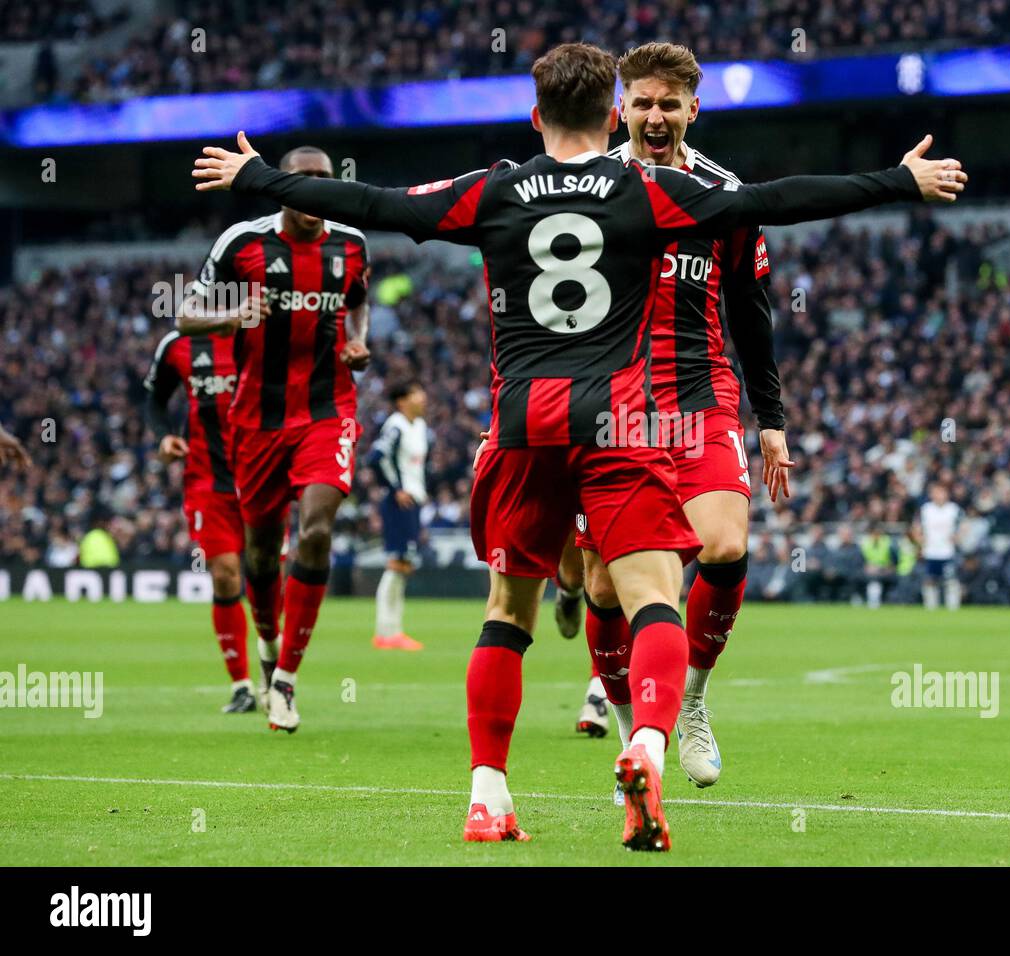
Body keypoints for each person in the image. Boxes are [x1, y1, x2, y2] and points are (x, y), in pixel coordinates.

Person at [191, 41, 965, 850]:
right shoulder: (651, 189)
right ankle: (647, 740)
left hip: (523, 426)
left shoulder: (491, 188)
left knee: (507, 614)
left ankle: (488, 795)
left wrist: (259, 180)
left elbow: (378, 202)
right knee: (654, 596)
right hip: (618, 423)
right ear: (611, 116)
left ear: (534, 117)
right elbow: (777, 198)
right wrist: (893, 182)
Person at [571, 42, 793, 788]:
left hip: (701, 394)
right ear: (619, 110)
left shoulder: (724, 193)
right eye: (644, 103)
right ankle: (639, 718)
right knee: (604, 587)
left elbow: (750, 308)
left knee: (724, 544)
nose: (657, 116)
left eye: (671, 103)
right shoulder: (584, 190)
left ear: (693, 109)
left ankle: (690, 697)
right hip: (608, 405)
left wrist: (772, 418)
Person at [178, 144, 372, 732]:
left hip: (326, 410)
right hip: (255, 422)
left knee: (315, 531)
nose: (315, 189)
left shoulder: (352, 244)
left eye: (324, 179)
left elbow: (357, 305)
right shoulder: (241, 243)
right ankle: (267, 644)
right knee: (262, 555)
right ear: (277, 186)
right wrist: (231, 314)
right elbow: (188, 312)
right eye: (303, 179)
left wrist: (358, 342)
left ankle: (285, 678)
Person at [144, 330, 254, 713]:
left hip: (262, 471)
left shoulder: (264, 330)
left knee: (271, 578)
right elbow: (155, 399)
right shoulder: (177, 344)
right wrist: (164, 437)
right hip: (208, 480)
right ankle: (242, 683)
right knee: (225, 572)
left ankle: (278, 675)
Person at [367, 381, 430, 651]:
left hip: (413, 499)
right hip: (400, 502)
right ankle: (386, 631)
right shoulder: (396, 425)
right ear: (402, 401)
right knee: (396, 563)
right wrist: (396, 489)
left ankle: (392, 631)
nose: (423, 397)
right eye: (416, 392)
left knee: (404, 564)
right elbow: (376, 456)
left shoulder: (420, 427)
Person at [915, 481, 962, 610]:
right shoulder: (926, 509)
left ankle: (953, 607)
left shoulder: (953, 509)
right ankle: (931, 607)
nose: (939, 495)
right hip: (931, 550)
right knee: (930, 580)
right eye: (936, 492)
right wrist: (920, 541)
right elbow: (917, 528)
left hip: (947, 551)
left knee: (951, 580)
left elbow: (963, 525)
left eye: (942, 492)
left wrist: (957, 537)